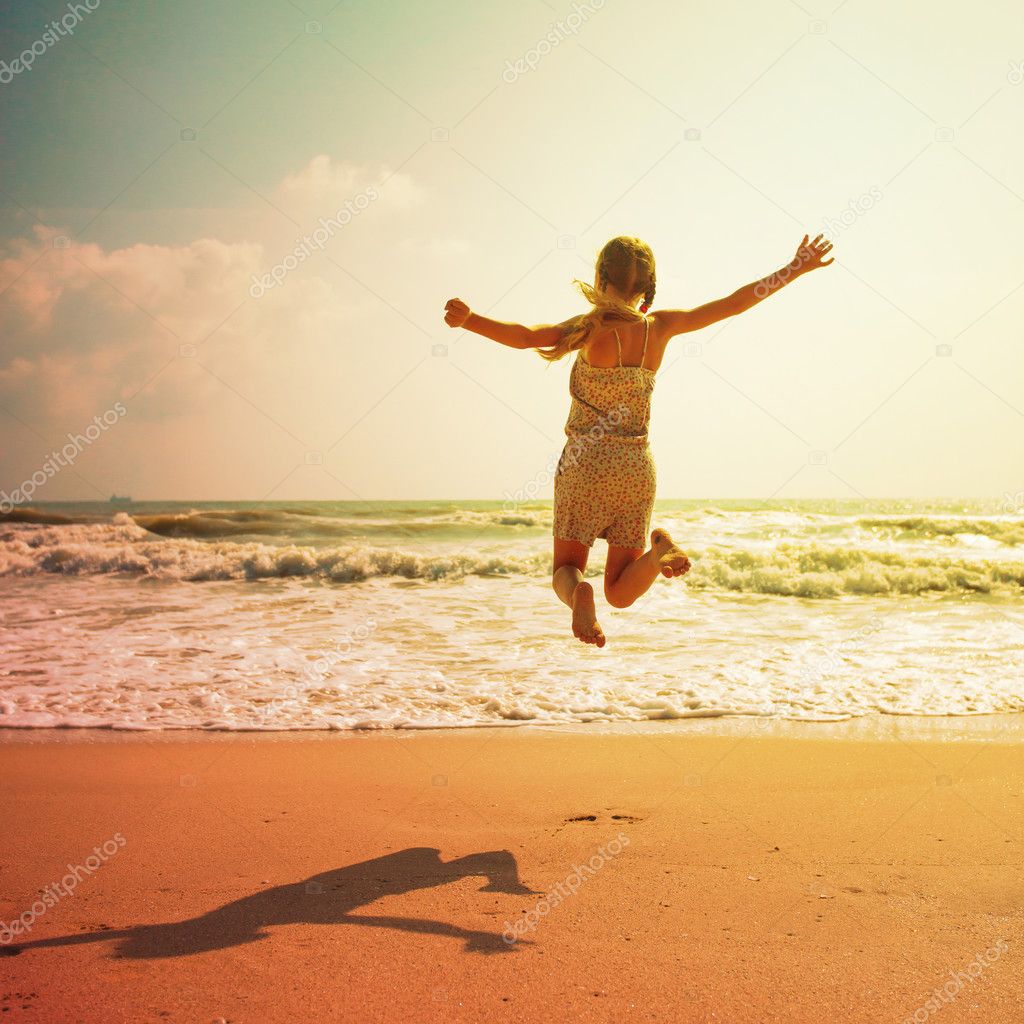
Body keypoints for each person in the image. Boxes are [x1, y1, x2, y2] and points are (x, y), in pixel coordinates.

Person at [444, 234, 834, 646]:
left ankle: (578, 592)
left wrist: (470, 320)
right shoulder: (662, 327)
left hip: (585, 465)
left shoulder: (589, 328)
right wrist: (795, 268)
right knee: (620, 591)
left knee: (566, 569)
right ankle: (657, 554)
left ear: (599, 277)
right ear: (648, 289)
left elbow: (526, 336)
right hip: (635, 469)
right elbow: (734, 302)